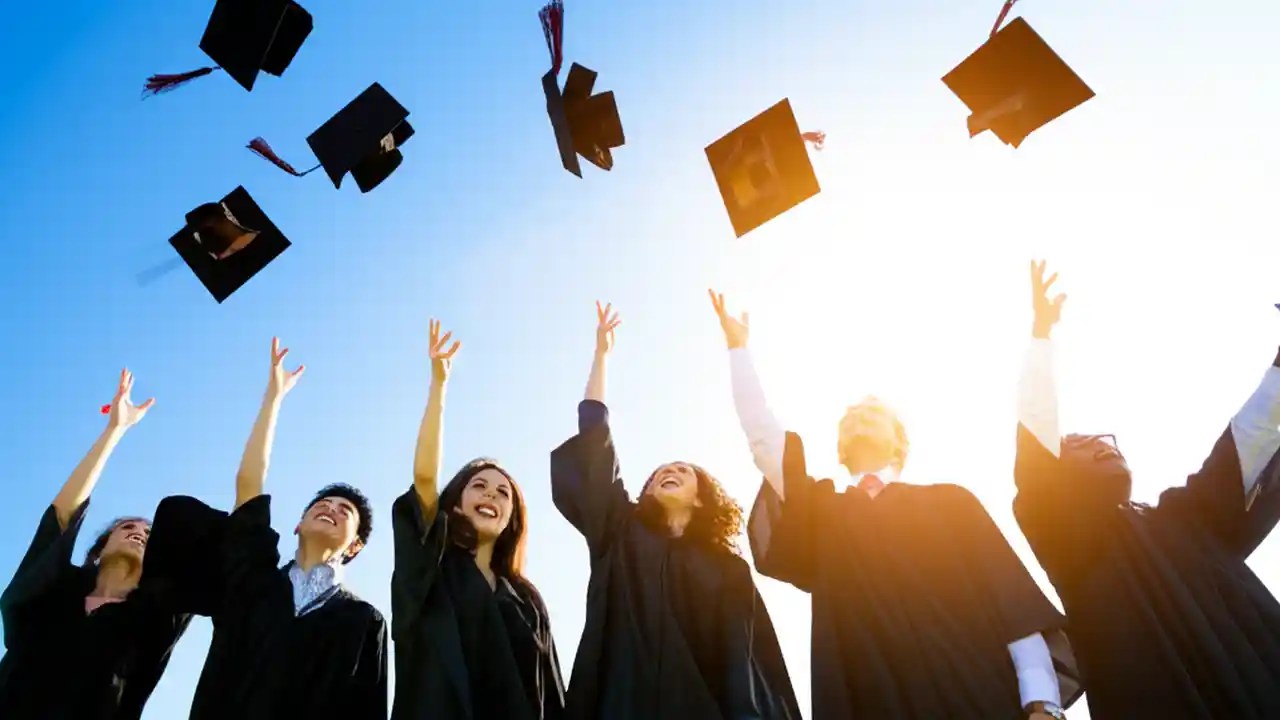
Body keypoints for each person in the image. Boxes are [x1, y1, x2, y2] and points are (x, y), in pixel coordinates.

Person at [709, 289, 1081, 720]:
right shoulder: (821, 514)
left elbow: (1013, 606)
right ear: (841, 447)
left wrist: (1042, 704)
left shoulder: (950, 503)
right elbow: (766, 441)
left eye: (873, 413)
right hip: (870, 696)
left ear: (899, 440)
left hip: (975, 692)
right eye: (850, 418)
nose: (859, 418)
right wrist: (739, 350)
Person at [1014, 260, 1280, 719]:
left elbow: (1246, 440)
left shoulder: (1184, 517)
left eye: (1107, 443)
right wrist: (1041, 335)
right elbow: (1036, 443)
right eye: (1083, 444)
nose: (1104, 446)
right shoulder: (1069, 543)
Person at [550, 302, 801, 720]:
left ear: (702, 497)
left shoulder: (727, 571)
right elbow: (595, 441)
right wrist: (601, 357)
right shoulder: (620, 535)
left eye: (682, 471)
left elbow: (753, 668)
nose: (668, 472)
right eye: (659, 473)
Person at [185, 337, 388, 720]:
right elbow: (248, 488)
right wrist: (273, 398)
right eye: (322, 504)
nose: (331, 508)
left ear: (356, 545)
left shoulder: (365, 621)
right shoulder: (252, 582)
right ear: (297, 525)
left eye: (345, 510)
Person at [391, 319, 566, 720]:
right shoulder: (431, 570)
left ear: (511, 521)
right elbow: (423, 479)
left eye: (503, 493)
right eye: (478, 486)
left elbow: (552, 696)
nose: (491, 494)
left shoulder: (527, 600)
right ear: (454, 504)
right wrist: (439, 387)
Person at [0, 369, 191, 720]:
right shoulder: (56, 591)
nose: (139, 532)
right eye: (128, 527)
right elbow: (61, 517)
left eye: (150, 536)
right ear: (99, 549)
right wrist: (114, 431)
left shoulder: (154, 615)